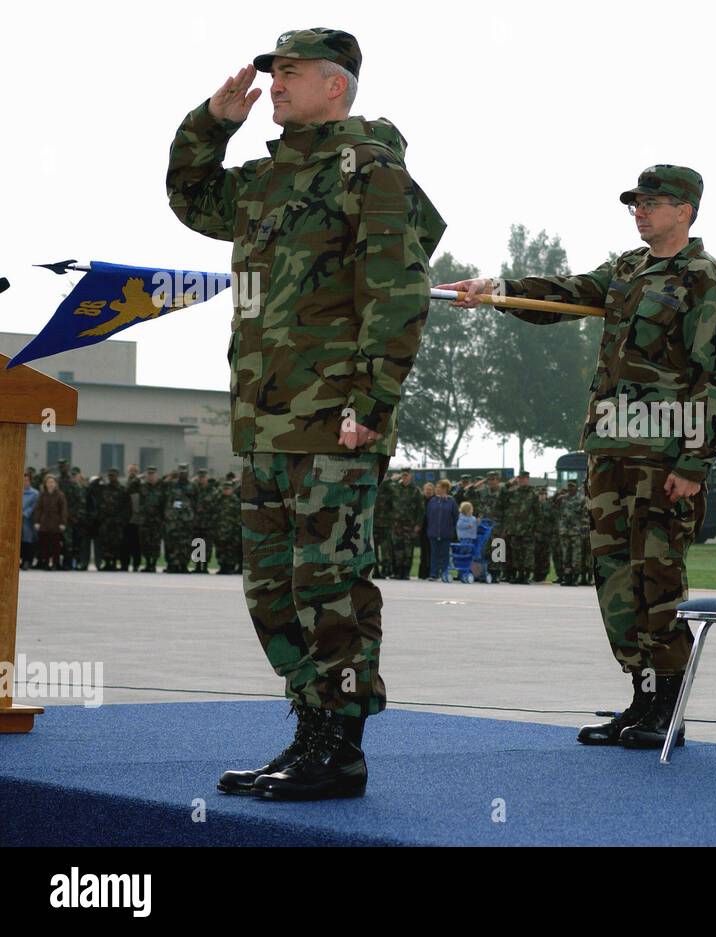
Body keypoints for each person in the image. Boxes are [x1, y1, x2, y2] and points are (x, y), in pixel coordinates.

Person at [168, 26, 444, 800]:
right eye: (272, 73)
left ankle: (342, 745)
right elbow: (190, 198)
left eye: (289, 74)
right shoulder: (266, 180)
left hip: (336, 417)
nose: (275, 85)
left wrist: (371, 401)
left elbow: (399, 293)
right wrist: (210, 124)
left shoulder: (372, 170)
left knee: (330, 581)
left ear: (335, 86)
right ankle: (310, 725)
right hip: (265, 419)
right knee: (271, 586)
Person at [438, 165, 716, 749]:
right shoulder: (626, 270)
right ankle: (641, 699)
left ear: (685, 210)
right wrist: (494, 290)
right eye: (636, 204)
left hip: (663, 457)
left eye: (652, 203)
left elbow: (715, 376)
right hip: (608, 452)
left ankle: (667, 711)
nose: (640, 211)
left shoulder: (705, 279)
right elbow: (564, 294)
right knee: (614, 576)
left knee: (658, 579)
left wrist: (694, 463)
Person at [425, 479, 458, 582]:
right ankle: (433, 574)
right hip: (433, 532)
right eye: (437, 487)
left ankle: (444, 573)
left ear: (445, 489)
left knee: (444, 554)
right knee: (434, 554)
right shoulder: (432, 501)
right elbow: (428, 516)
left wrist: (451, 529)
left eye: (439, 487)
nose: (437, 489)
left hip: (446, 532)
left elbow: (455, 517)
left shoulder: (451, 501)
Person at [33, 475, 68, 571]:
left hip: (56, 524)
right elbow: (38, 509)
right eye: (48, 482)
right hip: (44, 523)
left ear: (56, 484)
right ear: (45, 484)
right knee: (44, 545)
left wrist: (63, 523)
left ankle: (55, 564)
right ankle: (45, 563)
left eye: (52, 482)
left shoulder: (60, 495)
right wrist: (37, 521)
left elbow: (63, 510)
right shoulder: (42, 495)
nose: (50, 484)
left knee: (55, 546)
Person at [20, 472, 40, 570]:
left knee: (28, 540)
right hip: (17, 520)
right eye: (23, 480)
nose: (25, 482)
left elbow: (34, 506)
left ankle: (27, 561)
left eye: (27, 480)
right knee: (19, 541)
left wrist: (24, 514)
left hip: (28, 520)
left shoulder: (35, 493)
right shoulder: (17, 490)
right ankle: (20, 560)